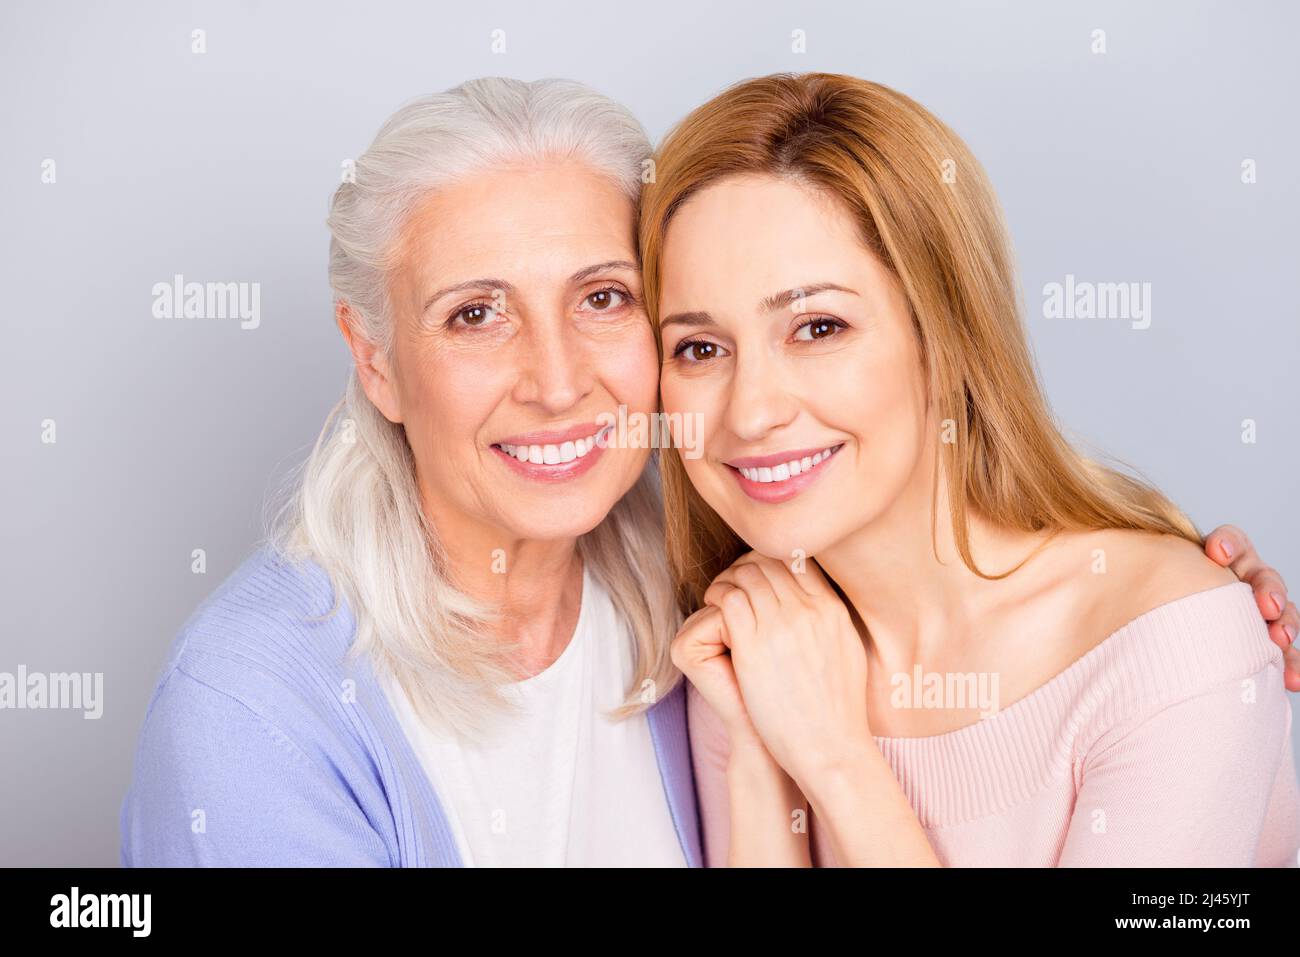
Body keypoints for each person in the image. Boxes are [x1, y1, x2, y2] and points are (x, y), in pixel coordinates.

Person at [646, 73, 1300, 866]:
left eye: (818, 327)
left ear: (945, 337)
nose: (750, 413)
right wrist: (755, 750)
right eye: (700, 348)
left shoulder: (1173, 650)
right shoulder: (754, 642)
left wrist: (837, 763)